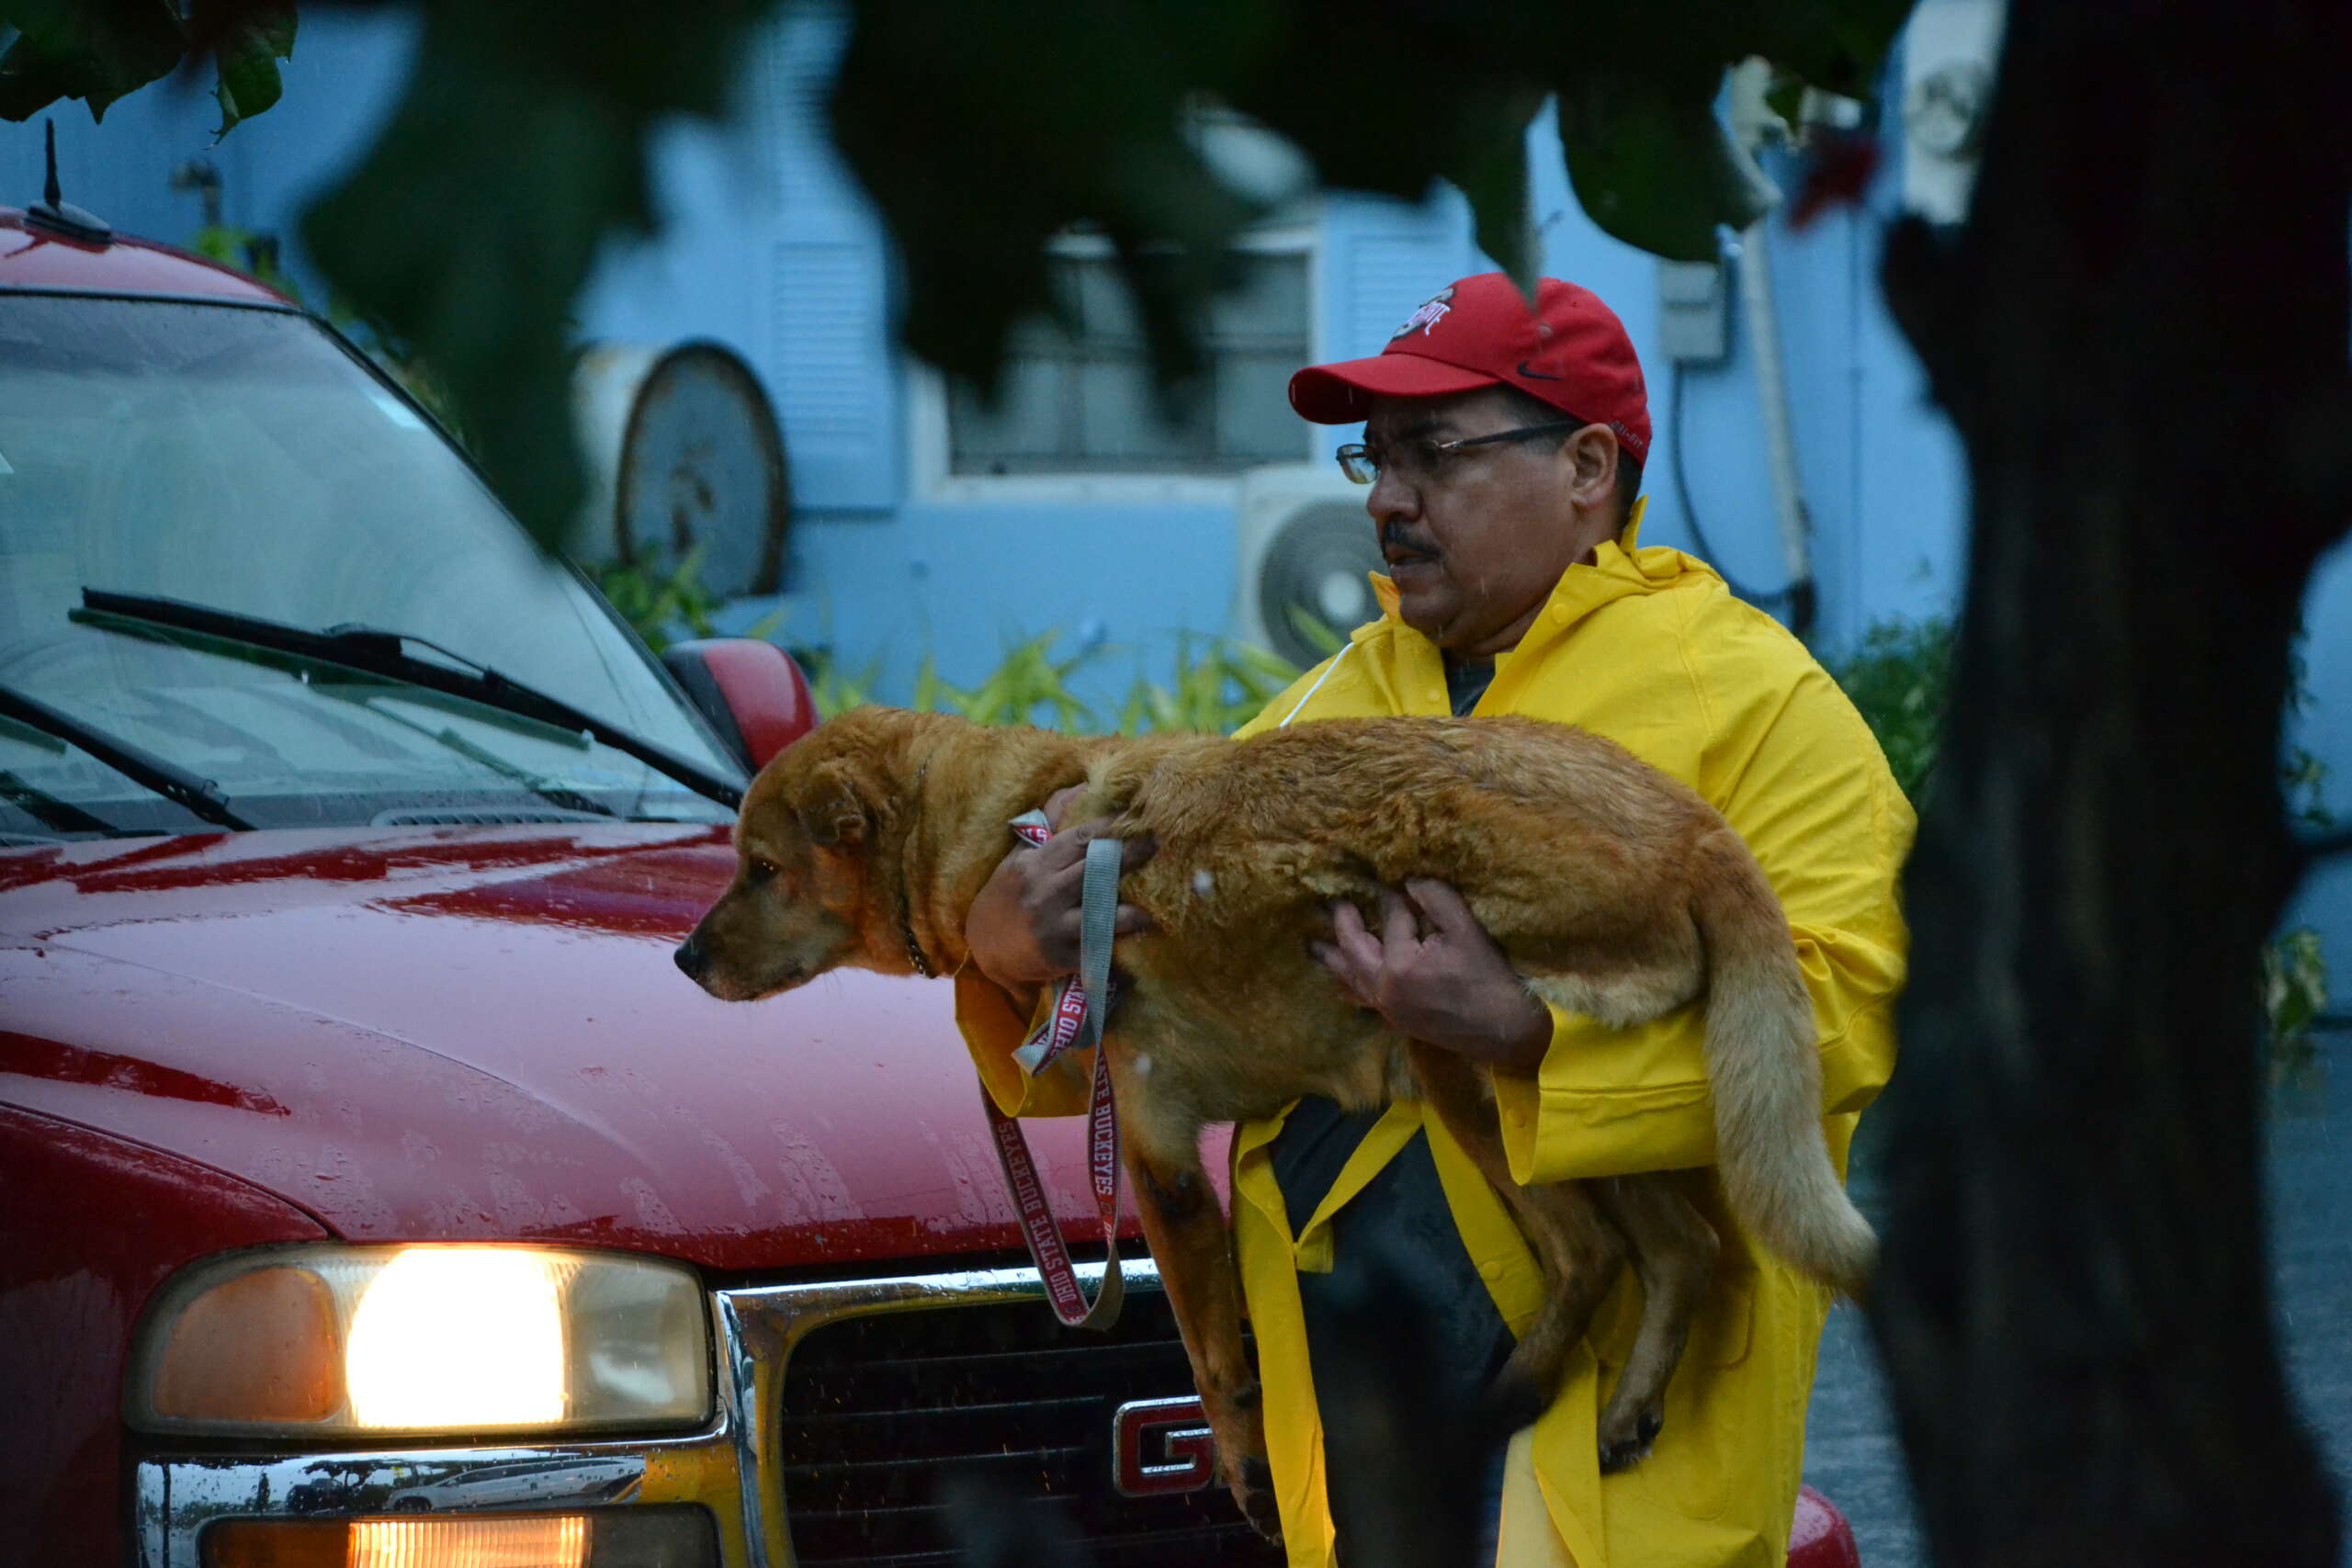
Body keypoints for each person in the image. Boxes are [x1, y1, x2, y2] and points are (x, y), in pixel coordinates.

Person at [956, 272, 1913, 1568]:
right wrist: (1012, 960)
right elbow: (1175, 1028)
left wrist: (1531, 1038)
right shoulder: (1322, 712)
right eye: (1376, 458)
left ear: (1587, 468)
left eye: (1434, 456)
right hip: (1366, 1427)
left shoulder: (1757, 700)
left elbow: (1848, 1016)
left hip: (1611, 1434)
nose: (1384, 500)